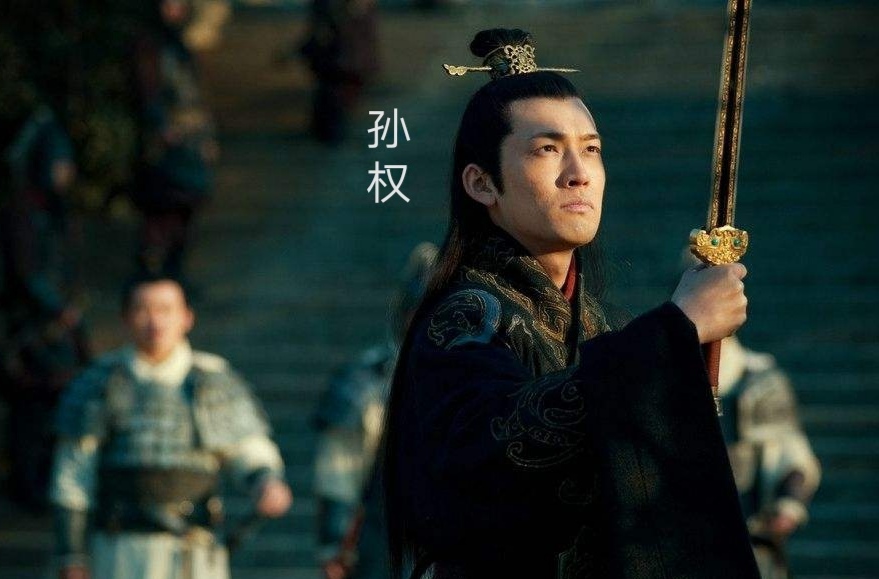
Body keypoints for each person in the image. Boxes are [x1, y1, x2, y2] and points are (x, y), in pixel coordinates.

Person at [381, 29, 761, 578]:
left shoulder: (596, 322)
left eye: (591, 149)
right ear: (483, 183)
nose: (579, 174)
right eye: (547, 149)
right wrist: (673, 333)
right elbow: (497, 447)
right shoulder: (466, 316)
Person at [49, 274, 292, 579]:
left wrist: (265, 481)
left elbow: (248, 449)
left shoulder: (212, 380)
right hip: (118, 548)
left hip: (194, 548)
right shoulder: (99, 383)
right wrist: (71, 555)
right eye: (143, 309)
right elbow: (73, 475)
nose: (155, 321)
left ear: (187, 317)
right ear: (126, 317)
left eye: (165, 310)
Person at [313, 242, 437, 579]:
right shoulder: (367, 380)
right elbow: (339, 471)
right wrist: (335, 543)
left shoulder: (484, 375)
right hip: (382, 537)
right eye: (422, 311)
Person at [0, 102, 91, 512]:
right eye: (59, 164)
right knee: (30, 407)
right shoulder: (22, 214)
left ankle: (45, 478)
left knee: (57, 402)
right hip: (34, 328)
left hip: (57, 327)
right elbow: (26, 273)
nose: (66, 173)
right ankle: (26, 482)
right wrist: (57, 309)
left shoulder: (54, 212)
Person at [717, 336, 821, 579]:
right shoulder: (658, 376)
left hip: (751, 532)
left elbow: (791, 454)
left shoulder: (760, 379)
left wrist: (788, 503)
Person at [130, 0, 218, 278]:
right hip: (164, 145)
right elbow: (147, 93)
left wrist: (206, 137)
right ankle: (154, 279)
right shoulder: (149, 47)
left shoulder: (181, 47)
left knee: (185, 209)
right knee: (161, 212)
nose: (173, 11)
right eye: (168, 4)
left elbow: (195, 95)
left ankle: (175, 275)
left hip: (190, 140)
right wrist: (161, 127)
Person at [300, 0, 379, 144]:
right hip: (341, 62)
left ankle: (330, 130)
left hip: (341, 63)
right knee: (333, 99)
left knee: (334, 98)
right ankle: (329, 130)